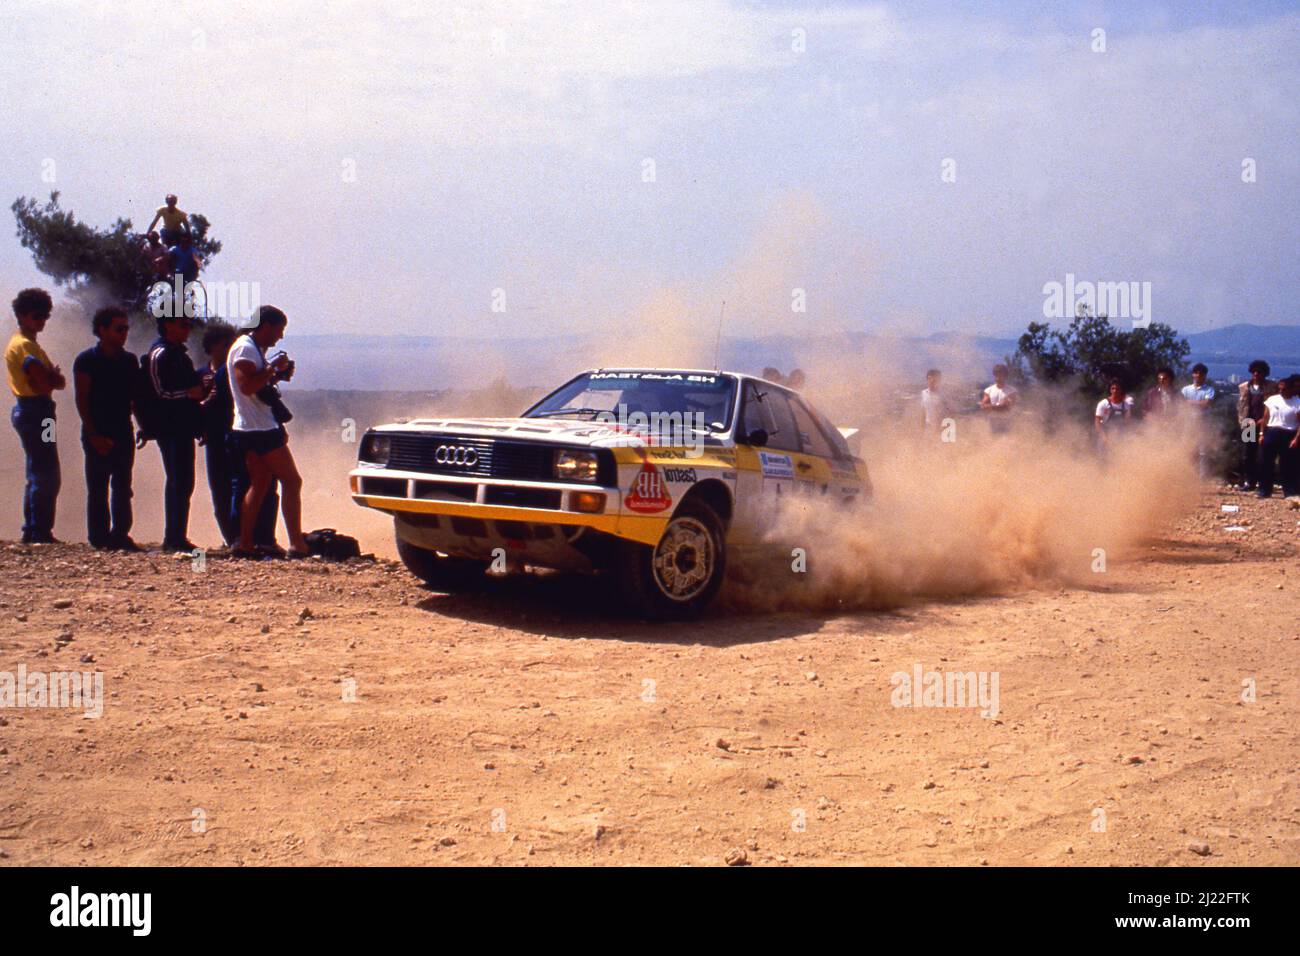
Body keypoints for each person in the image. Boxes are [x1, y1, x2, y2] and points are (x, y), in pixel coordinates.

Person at [228, 306, 308, 558]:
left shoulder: (250, 348)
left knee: (260, 483)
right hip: (260, 428)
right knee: (292, 481)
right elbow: (247, 386)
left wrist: (274, 375)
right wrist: (273, 368)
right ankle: (296, 543)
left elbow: (256, 386)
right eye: (279, 330)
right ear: (266, 326)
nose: (279, 337)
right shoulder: (245, 349)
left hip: (248, 427)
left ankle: (246, 544)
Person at [199, 322, 279, 550]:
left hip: (235, 435)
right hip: (230, 437)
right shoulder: (222, 373)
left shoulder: (226, 371)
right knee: (238, 488)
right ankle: (241, 538)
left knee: (245, 487)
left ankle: (249, 539)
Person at [72, 306, 141, 551]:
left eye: (126, 329)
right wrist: (92, 434)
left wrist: (142, 425)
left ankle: (121, 534)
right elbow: (81, 398)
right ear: (102, 330)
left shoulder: (129, 361)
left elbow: (135, 398)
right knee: (98, 486)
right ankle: (99, 538)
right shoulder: (86, 360)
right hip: (97, 429)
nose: (124, 333)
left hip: (123, 429)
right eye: (118, 328)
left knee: (123, 485)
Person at [141, 313, 208, 552]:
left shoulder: (178, 354)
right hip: (168, 426)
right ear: (167, 325)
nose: (187, 329)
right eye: (183, 324)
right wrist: (188, 394)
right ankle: (173, 538)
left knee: (184, 481)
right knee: (178, 480)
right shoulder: (160, 354)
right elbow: (158, 392)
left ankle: (178, 535)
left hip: (182, 426)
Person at [6, 288, 63, 544]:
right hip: (35, 411)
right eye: (36, 316)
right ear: (22, 316)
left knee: (38, 468)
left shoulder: (30, 346)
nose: (41, 321)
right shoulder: (24, 347)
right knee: (46, 470)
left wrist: (51, 378)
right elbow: (45, 383)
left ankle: (33, 528)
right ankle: (39, 530)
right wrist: (51, 377)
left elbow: (57, 382)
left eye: (45, 316)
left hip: (41, 412)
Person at [1256, 374, 1300, 500]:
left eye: (1284, 389)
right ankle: (1264, 490)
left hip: (1288, 433)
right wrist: (1261, 434)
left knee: (1287, 464)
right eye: (1279, 388)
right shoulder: (1272, 399)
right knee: (1265, 462)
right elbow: (1265, 418)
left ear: (1291, 389)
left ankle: (1289, 491)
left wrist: (1296, 438)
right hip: (1271, 432)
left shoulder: (1297, 402)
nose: (1281, 391)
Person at [1236, 360, 1275, 491]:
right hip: (1248, 423)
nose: (1256, 374)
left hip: (1265, 423)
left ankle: (1263, 482)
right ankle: (1249, 481)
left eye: (1259, 372)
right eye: (1254, 371)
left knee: (1264, 454)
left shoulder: (1271, 387)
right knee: (1248, 453)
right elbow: (1241, 406)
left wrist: (1264, 419)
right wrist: (1242, 420)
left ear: (1265, 373)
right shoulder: (1244, 387)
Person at [1181, 363, 1216, 479]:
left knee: (1203, 452)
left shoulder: (1209, 390)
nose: (1198, 375)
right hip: (1188, 423)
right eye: (1196, 373)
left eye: (1201, 374)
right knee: (1187, 449)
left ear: (1205, 376)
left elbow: (1207, 404)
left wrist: (1189, 402)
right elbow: (1181, 403)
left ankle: (1202, 477)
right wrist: (1199, 403)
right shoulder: (1185, 389)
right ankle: (1186, 475)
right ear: (1193, 374)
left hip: (1203, 424)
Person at [1094, 379, 1134, 452]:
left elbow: (1128, 423)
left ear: (1121, 390)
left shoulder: (1126, 405)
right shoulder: (1103, 404)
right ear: (1110, 390)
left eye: (1117, 389)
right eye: (1113, 388)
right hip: (1105, 437)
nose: (1115, 390)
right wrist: (1104, 437)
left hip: (1120, 437)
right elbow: (1097, 423)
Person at [979, 364, 1017, 433]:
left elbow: (1006, 407)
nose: (998, 378)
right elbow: (983, 406)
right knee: (991, 442)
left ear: (1005, 376)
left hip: (1006, 422)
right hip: (992, 422)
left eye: (1001, 375)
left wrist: (991, 406)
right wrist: (999, 406)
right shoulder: (988, 390)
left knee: (1006, 442)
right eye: (996, 375)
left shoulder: (1011, 391)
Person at [920, 368, 947, 436]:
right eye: (929, 379)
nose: (931, 381)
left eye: (934, 380)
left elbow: (950, 412)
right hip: (928, 430)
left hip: (941, 430)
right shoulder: (923, 393)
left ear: (938, 380)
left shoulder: (943, 394)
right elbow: (923, 413)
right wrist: (921, 430)